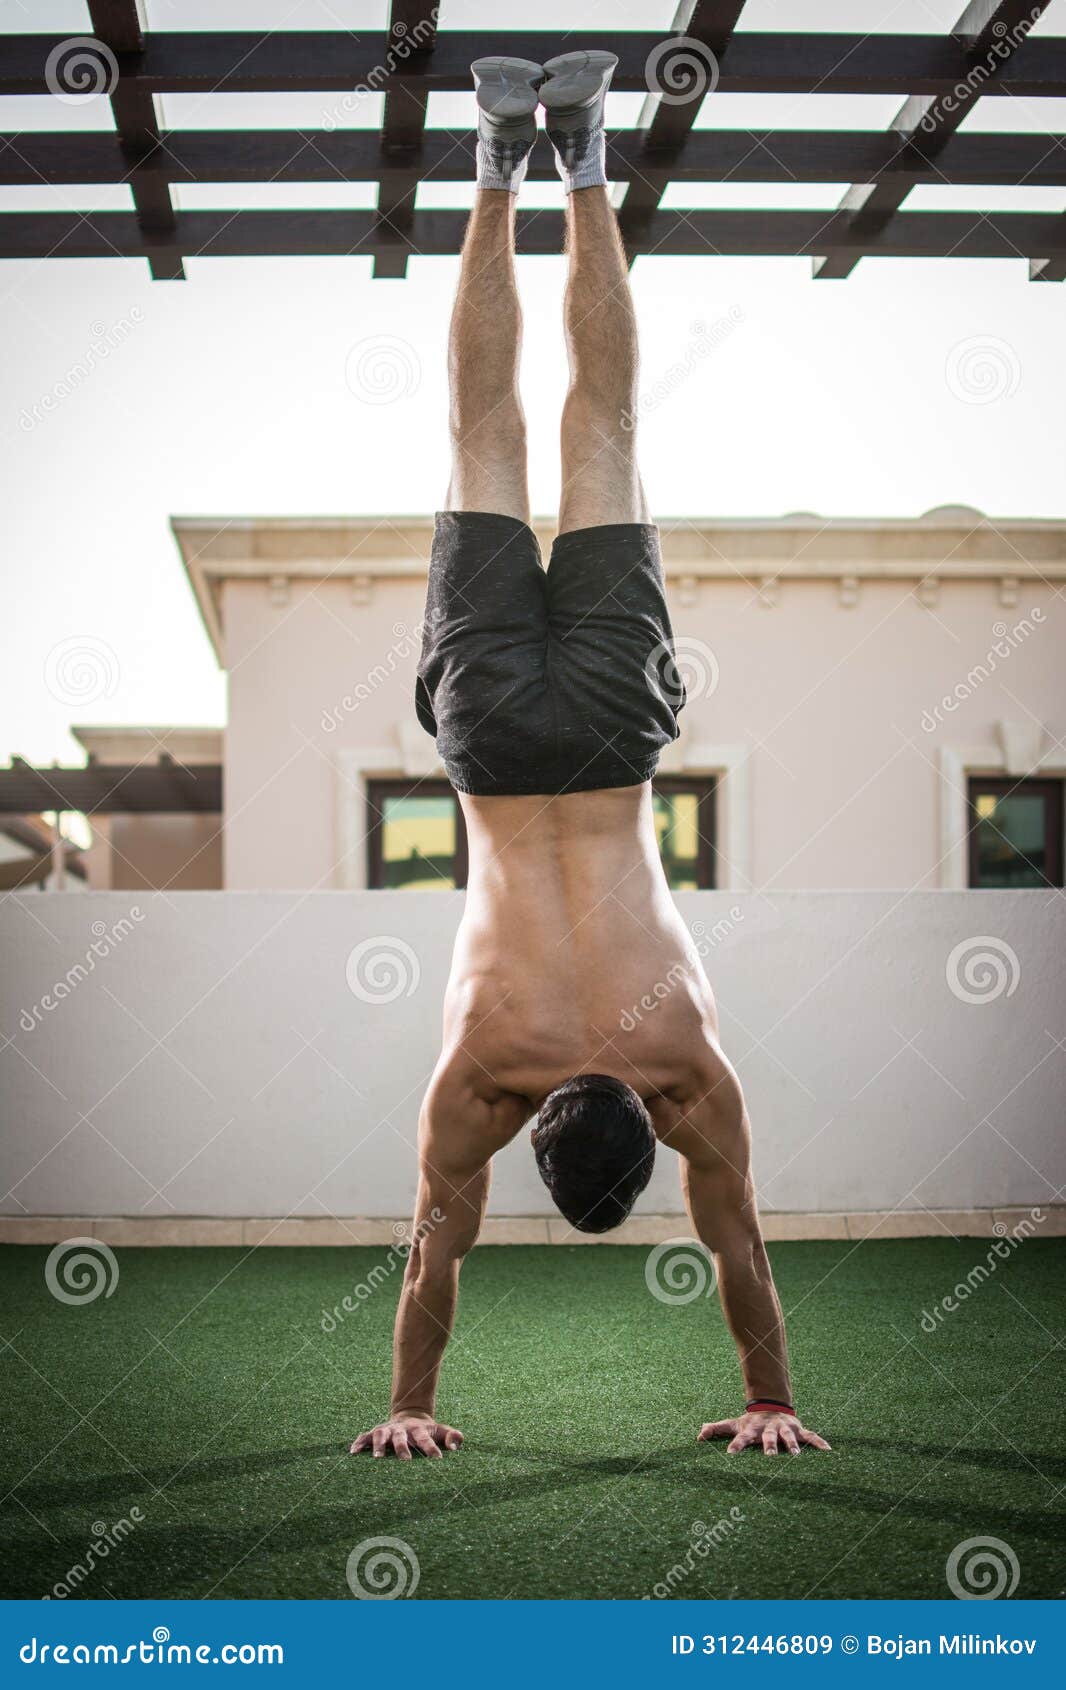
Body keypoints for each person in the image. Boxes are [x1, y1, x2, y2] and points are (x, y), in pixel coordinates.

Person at [351, 52, 829, 1463]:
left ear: (641, 1120)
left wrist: (773, 1396)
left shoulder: (684, 1068)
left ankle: (581, 152)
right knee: (486, 432)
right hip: (495, 747)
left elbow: (737, 1241)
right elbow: (433, 1256)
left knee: (601, 426)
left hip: (616, 739)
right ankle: (501, 157)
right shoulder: (480, 1077)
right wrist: (408, 1406)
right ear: (530, 1130)